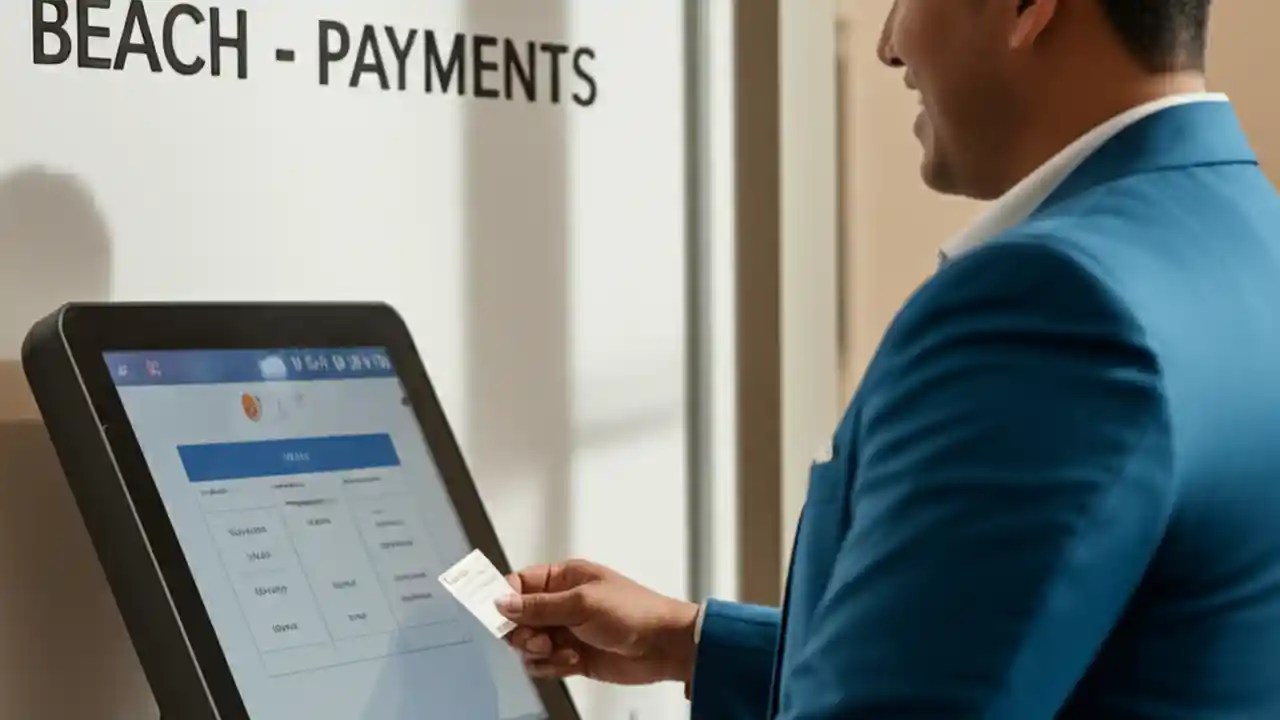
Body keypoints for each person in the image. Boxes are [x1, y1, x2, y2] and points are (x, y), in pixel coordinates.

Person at [497, 0, 1280, 716]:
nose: (886, 46)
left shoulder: (1053, 301)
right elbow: (1083, 647)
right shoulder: (1247, 239)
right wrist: (690, 644)